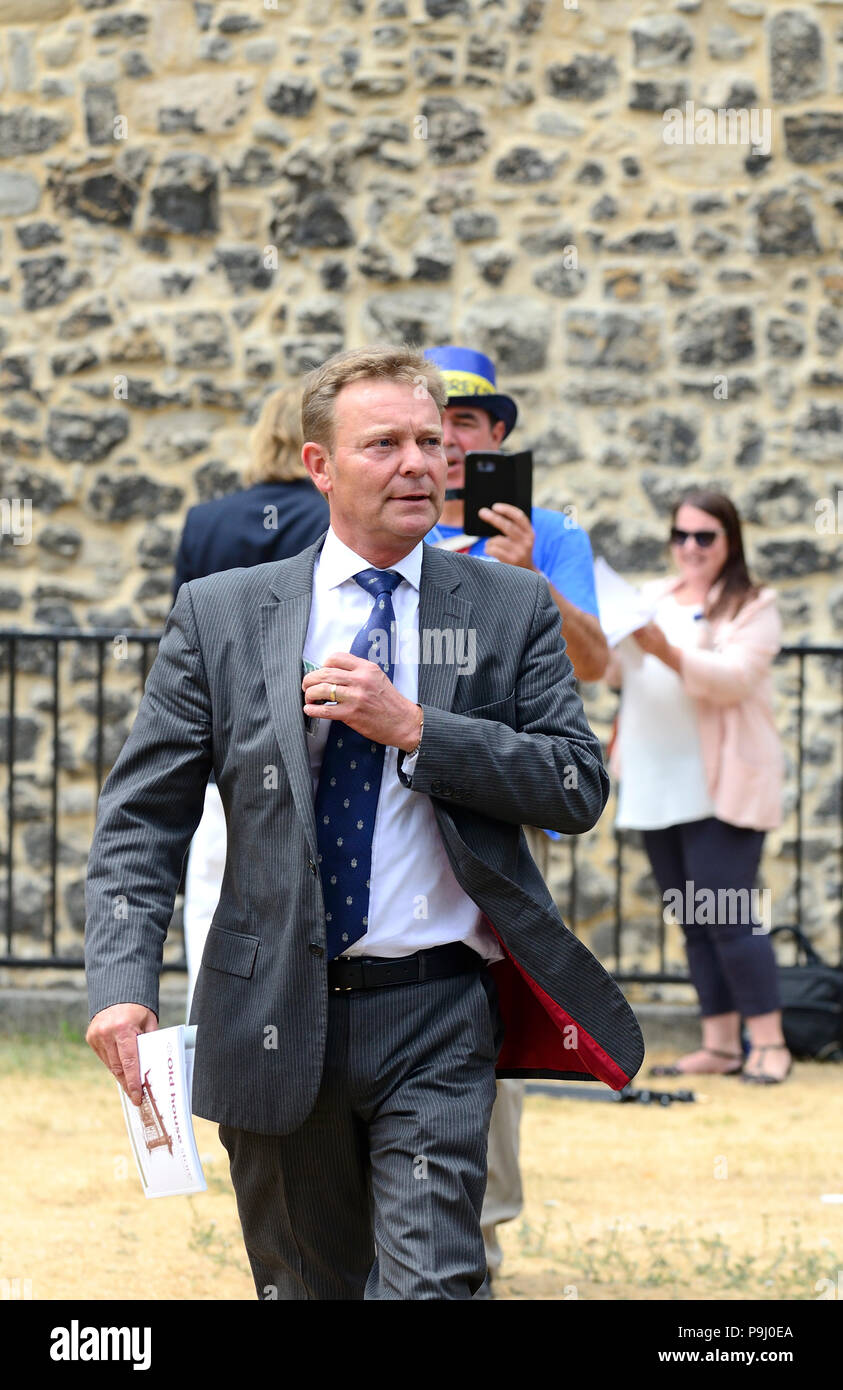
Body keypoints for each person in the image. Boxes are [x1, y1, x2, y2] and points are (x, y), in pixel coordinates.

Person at [85, 344, 643, 1301]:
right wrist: (120, 983)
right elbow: (143, 819)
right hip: (268, 1013)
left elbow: (574, 782)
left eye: (430, 442)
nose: (418, 463)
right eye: (383, 443)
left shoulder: (507, 608)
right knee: (306, 1288)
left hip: (435, 1010)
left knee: (432, 1287)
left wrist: (420, 729)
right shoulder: (223, 615)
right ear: (319, 466)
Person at [423, 344, 609, 1290]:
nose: (449, 442)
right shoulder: (389, 527)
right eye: (433, 420)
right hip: (396, 794)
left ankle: (477, 1244)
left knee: (486, 999)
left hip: (494, 806)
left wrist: (528, 576)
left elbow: (594, 663)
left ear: (497, 436)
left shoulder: (551, 532)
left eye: (466, 423)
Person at [607, 490, 790, 1085]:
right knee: (690, 916)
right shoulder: (649, 598)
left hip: (721, 783)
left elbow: (733, 680)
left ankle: (768, 1042)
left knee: (728, 913)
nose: (690, 547)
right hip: (655, 780)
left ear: (729, 541)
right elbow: (610, 671)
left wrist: (664, 648)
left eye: (704, 536)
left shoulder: (754, 604)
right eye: (680, 535)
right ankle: (720, 1042)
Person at [172, 386, 329, 1015]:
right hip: (304, 742)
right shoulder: (327, 520)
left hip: (221, 746)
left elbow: (180, 637)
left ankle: (210, 1037)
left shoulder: (206, 522)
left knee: (212, 908)